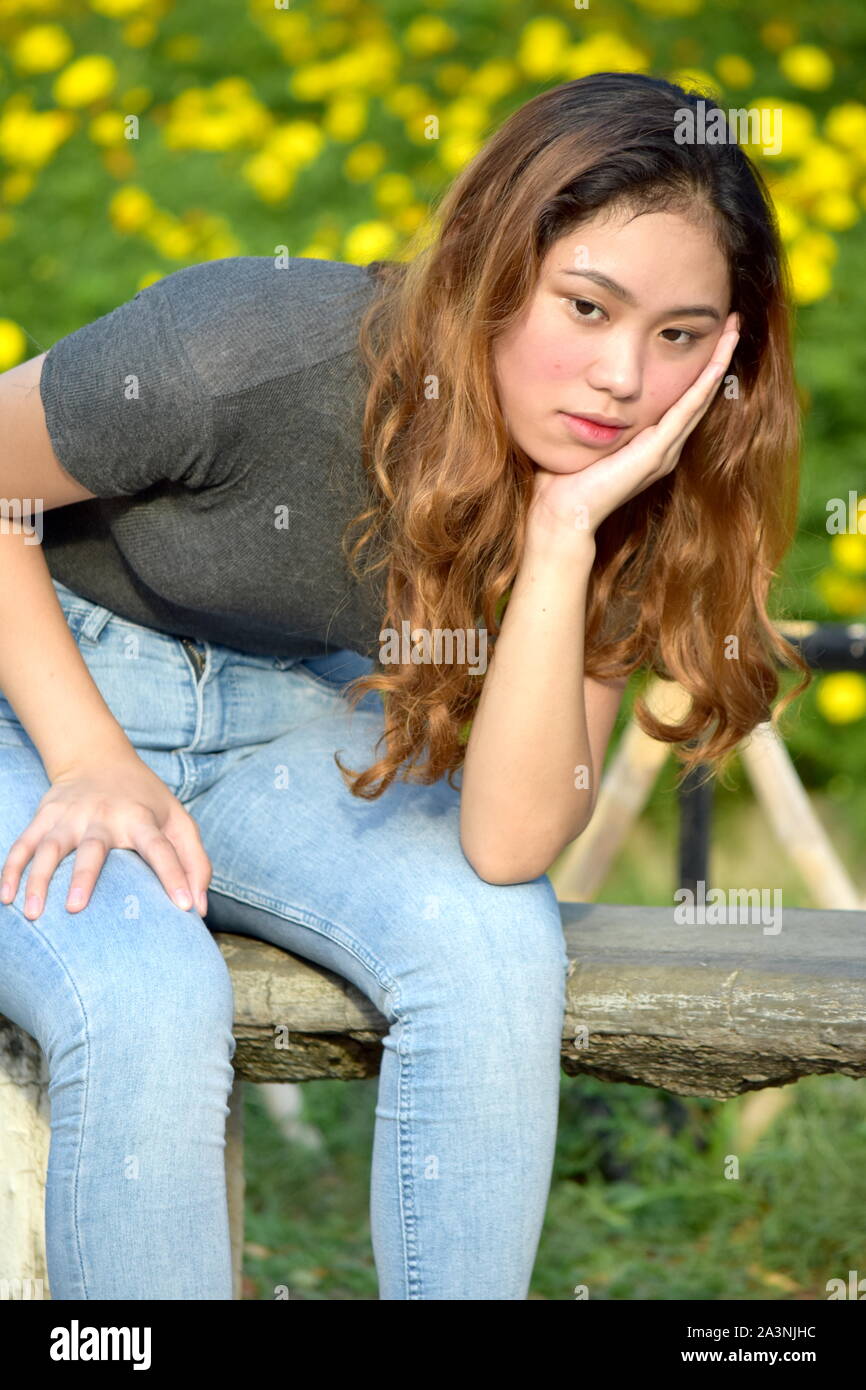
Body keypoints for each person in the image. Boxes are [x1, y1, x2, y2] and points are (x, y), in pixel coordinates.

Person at [0, 71, 809, 1300]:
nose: (622, 379)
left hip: (279, 710)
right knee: (149, 996)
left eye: (679, 335)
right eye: (586, 306)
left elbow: (507, 838)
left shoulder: (642, 479)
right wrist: (87, 753)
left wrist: (560, 542)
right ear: (493, 265)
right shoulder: (244, 344)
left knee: (492, 946)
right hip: (33, 694)